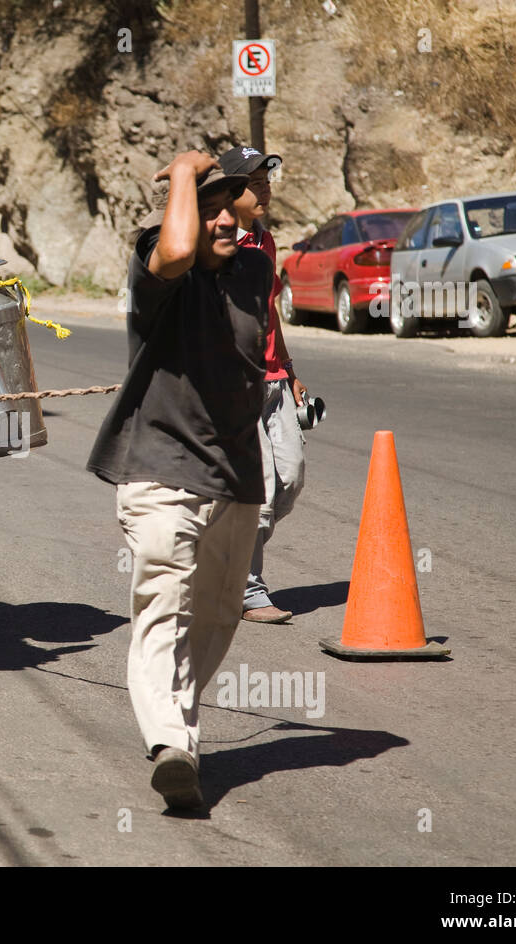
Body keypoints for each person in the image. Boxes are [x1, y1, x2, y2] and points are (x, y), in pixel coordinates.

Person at [86, 151, 273, 811]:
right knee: (163, 607)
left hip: (236, 478)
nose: (223, 219)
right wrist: (186, 175)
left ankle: (180, 738)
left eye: (233, 205)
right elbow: (179, 245)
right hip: (159, 472)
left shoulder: (256, 268)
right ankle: (170, 742)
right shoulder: (161, 268)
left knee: (218, 617)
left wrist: (234, 182)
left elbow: (255, 210)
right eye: (208, 205)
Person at [217, 145, 308, 625]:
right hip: (238, 386)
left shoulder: (266, 242)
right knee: (261, 493)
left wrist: (289, 368)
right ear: (231, 193)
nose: (266, 188)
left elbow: (270, 309)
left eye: (267, 179)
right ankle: (247, 589)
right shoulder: (217, 247)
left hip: (274, 381)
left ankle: (224, 562)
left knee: (290, 479)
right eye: (255, 182)